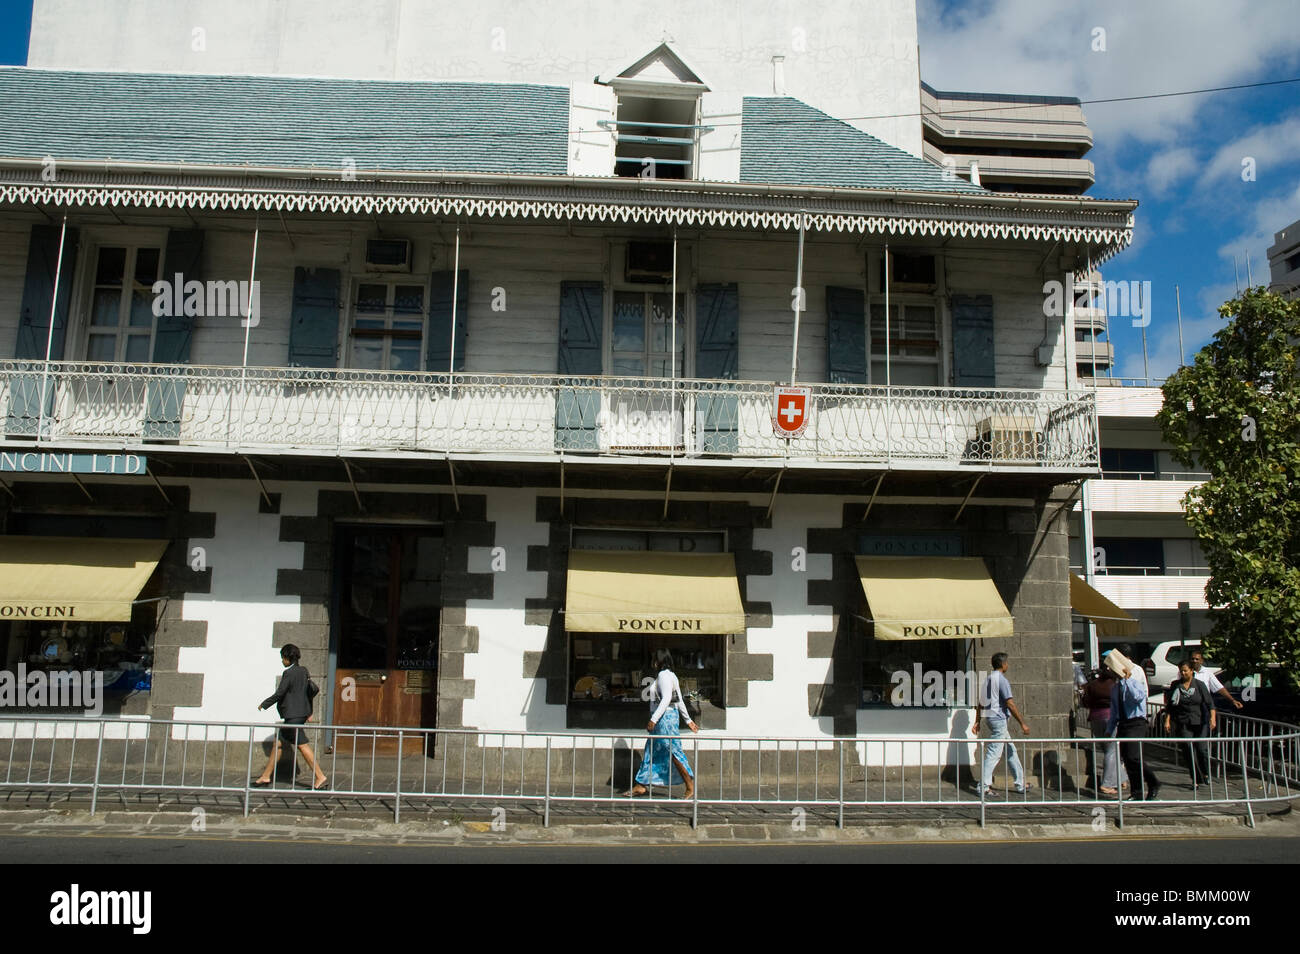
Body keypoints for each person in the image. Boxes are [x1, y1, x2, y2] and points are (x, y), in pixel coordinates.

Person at [253, 644, 327, 790]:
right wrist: (309, 712)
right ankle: (266, 776)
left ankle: (320, 776)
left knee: (302, 745)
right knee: (279, 743)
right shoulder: (304, 671)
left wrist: (264, 704)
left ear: (287, 658)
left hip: (293, 715)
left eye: (283, 658)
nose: (282, 661)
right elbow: (309, 692)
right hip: (299, 714)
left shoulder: (289, 673)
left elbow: (280, 693)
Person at [625, 651, 698, 798]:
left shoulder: (664, 675)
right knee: (651, 750)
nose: (652, 662)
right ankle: (641, 784)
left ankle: (689, 784)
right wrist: (688, 720)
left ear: (658, 661)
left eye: (653, 659)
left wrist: (654, 719)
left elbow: (667, 699)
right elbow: (679, 700)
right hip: (667, 717)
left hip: (664, 719)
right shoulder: (671, 675)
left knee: (673, 751)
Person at [971, 652, 1032, 797]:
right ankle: (983, 786)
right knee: (994, 753)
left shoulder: (988, 680)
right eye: (1007, 663)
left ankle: (1020, 783)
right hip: (999, 720)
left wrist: (977, 721)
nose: (1008, 665)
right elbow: (1010, 703)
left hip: (991, 719)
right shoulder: (1002, 680)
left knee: (1011, 751)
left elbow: (980, 703)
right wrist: (1022, 723)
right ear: (1003, 664)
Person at [1105, 649, 1160, 800]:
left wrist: (1127, 680)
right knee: (1127, 759)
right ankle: (1136, 792)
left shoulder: (1134, 683)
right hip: (1124, 723)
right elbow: (1114, 711)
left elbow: (1137, 698)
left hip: (1136, 723)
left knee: (1134, 756)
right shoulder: (1116, 688)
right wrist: (1110, 729)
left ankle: (1153, 781)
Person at [1081, 664, 1129, 795]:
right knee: (1112, 750)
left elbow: (1085, 701)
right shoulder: (1115, 685)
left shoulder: (1092, 685)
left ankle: (1122, 778)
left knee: (1109, 749)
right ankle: (1107, 783)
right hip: (1110, 718)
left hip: (1095, 717)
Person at [1164, 661, 1213, 785]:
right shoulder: (1176, 685)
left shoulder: (1199, 685)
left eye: (1185, 670)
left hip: (1200, 722)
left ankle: (1205, 773)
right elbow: (1171, 705)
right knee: (1188, 749)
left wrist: (1213, 718)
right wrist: (1167, 720)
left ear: (1192, 671)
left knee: (1201, 750)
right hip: (1183, 722)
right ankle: (1195, 778)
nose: (1183, 673)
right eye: (1181, 671)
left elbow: (1210, 703)